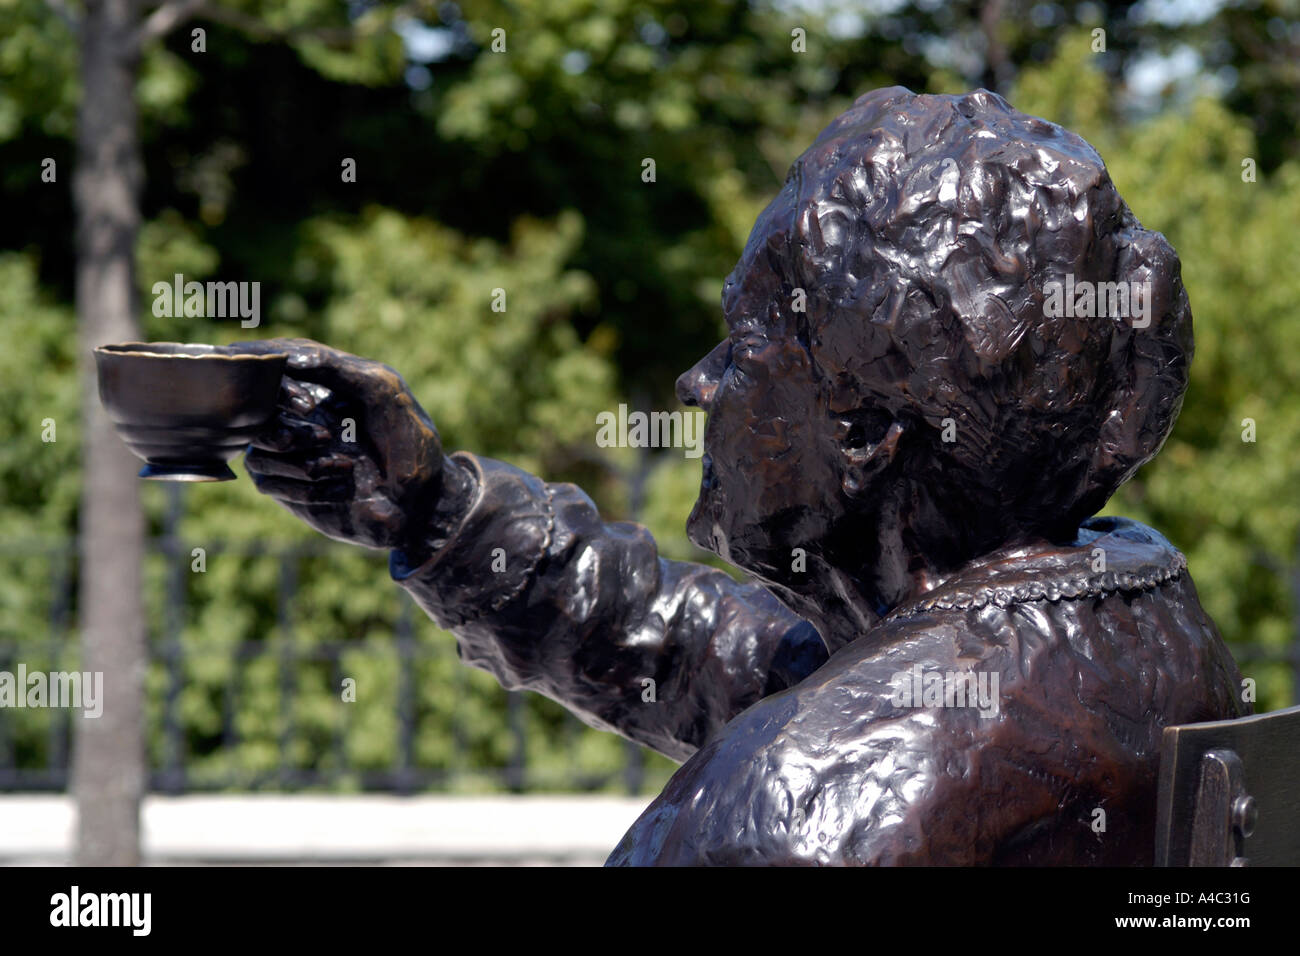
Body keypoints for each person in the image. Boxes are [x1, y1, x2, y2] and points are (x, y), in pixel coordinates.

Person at [239, 87, 1247, 865]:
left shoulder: (784, 811)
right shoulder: (1126, 608)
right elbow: (733, 661)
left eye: (744, 345)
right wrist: (439, 513)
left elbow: (818, 745)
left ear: (864, 433)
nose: (699, 382)